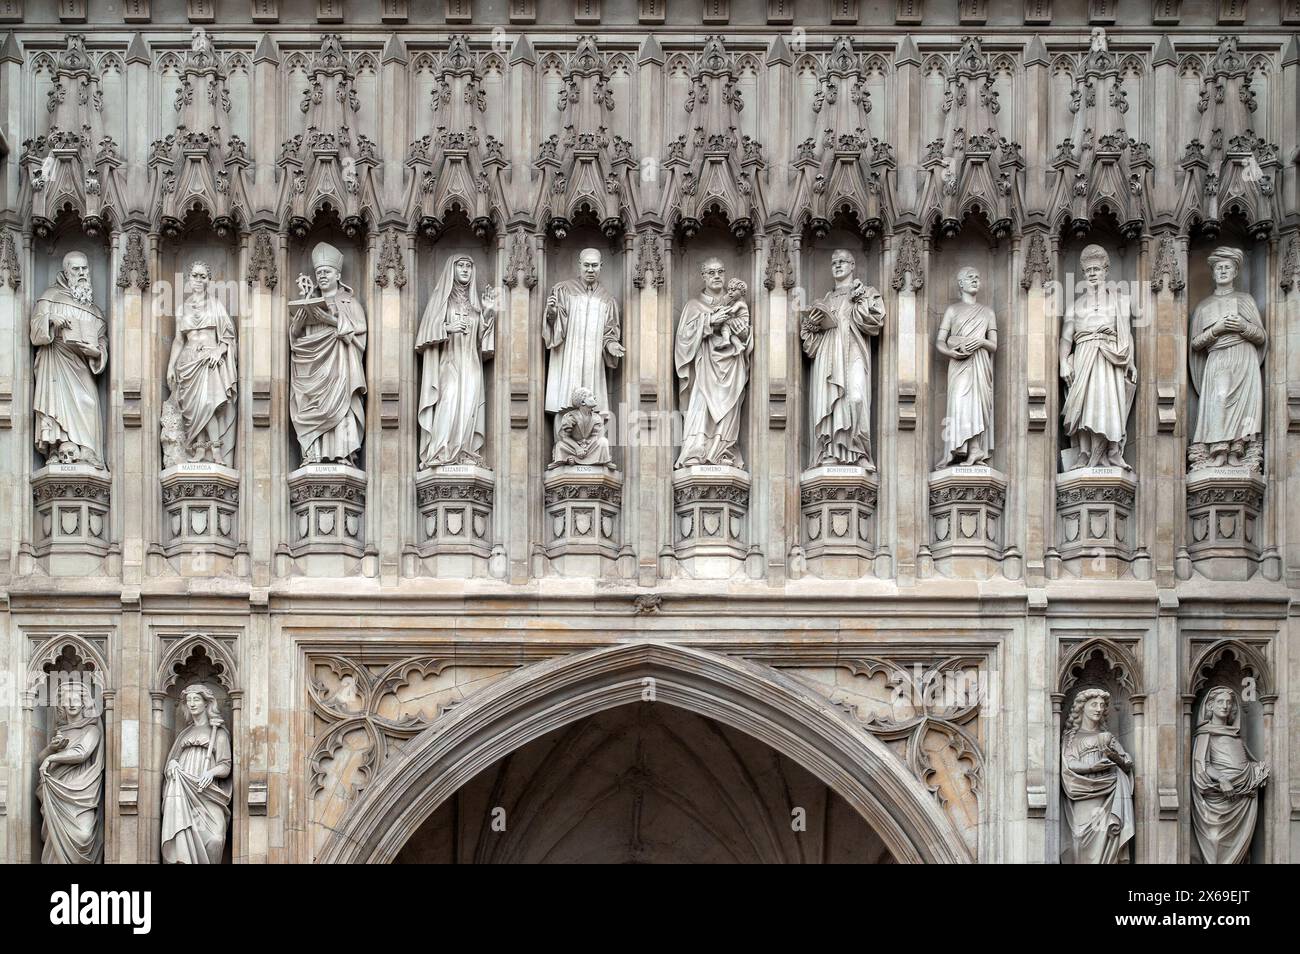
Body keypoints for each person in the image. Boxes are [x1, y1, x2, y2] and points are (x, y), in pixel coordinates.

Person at [802, 249, 885, 469]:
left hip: (853, 351)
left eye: (842, 262)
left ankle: (859, 452)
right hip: (828, 356)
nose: (838, 265)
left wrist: (860, 301)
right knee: (831, 402)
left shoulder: (866, 292)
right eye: (834, 262)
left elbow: (875, 322)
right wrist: (811, 326)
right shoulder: (826, 299)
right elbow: (811, 345)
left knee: (856, 398)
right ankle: (830, 451)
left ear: (852, 265)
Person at [289, 242, 367, 465]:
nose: (322, 276)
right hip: (311, 367)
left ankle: (342, 453)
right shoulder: (309, 301)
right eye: (319, 272)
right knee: (310, 404)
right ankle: (313, 455)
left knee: (341, 407)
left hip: (340, 367)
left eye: (327, 272)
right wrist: (297, 325)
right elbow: (295, 338)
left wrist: (329, 320)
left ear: (338, 274)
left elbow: (359, 335)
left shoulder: (349, 302)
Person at [1188, 247, 1266, 470]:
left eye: (1227, 267)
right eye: (1219, 268)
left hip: (1243, 357)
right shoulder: (1204, 306)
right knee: (1220, 400)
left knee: (1244, 405)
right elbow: (1195, 343)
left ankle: (1237, 451)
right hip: (1218, 358)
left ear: (1235, 272)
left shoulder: (1245, 300)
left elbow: (1261, 337)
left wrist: (1243, 327)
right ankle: (1219, 451)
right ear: (1213, 273)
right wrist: (1217, 329)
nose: (1222, 271)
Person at [1060, 245, 1136, 470]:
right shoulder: (1075, 306)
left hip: (1110, 355)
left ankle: (1112, 451)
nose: (1092, 273)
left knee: (1108, 401)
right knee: (1083, 404)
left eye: (1097, 269)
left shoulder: (1119, 301)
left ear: (1106, 271)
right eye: (1088, 270)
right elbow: (1066, 339)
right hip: (1083, 353)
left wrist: (1130, 361)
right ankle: (1084, 453)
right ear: (1083, 274)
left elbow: (1126, 334)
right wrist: (1063, 362)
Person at [415, 255, 496, 469]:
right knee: (449, 401)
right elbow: (425, 334)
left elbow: (483, 343)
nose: (465, 270)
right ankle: (441, 451)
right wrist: (448, 328)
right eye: (460, 266)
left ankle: (463, 451)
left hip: (471, 363)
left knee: (468, 405)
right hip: (448, 362)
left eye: (469, 266)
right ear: (452, 269)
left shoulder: (474, 304)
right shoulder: (441, 300)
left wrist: (487, 312)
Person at [675, 258, 754, 468]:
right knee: (701, 403)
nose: (717, 276)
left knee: (729, 409)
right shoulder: (693, 306)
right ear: (703, 276)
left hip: (731, 363)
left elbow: (746, 335)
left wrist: (743, 332)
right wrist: (709, 321)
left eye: (720, 272)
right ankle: (695, 449)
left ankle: (722, 451)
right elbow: (683, 339)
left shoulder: (737, 305)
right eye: (711, 273)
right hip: (705, 365)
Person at [32, 251, 108, 468]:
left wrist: (96, 353)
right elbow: (34, 330)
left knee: (89, 402)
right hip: (56, 361)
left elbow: (102, 341)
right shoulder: (50, 297)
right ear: (65, 272)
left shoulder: (94, 310)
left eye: (85, 269)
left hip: (81, 363)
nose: (82, 273)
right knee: (56, 403)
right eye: (76, 269)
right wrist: (50, 320)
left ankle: (87, 451)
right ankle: (58, 449)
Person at [165, 261, 237, 466]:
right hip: (187, 362)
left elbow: (228, 337)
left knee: (207, 405)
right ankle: (198, 450)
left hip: (208, 360)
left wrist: (218, 350)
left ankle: (215, 451)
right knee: (191, 410)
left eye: (202, 276)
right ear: (189, 279)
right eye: (195, 275)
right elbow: (179, 340)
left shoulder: (216, 305)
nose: (198, 280)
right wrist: (171, 366)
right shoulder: (181, 309)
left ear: (209, 280)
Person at [1191, 686, 1268, 864]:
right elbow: (1202, 765)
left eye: (1228, 702)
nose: (1225, 706)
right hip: (1218, 798)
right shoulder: (1205, 733)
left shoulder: (1235, 735)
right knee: (1216, 840)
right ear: (1210, 706)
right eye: (1220, 702)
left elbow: (1246, 761)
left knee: (1242, 845)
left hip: (1242, 797)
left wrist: (1257, 770)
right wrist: (1222, 779)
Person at [543, 248, 623, 419]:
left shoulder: (608, 300)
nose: (590, 270)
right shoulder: (563, 290)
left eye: (594, 265)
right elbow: (556, 329)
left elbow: (610, 331)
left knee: (592, 405)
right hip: (569, 358)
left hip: (593, 360)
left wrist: (612, 344)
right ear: (579, 265)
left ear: (601, 266)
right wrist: (551, 313)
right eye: (586, 265)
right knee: (566, 402)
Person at [1060, 687, 1135, 864]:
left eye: (1102, 705)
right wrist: (1092, 767)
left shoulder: (1106, 737)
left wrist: (1112, 755)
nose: (1098, 708)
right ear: (1082, 708)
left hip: (1108, 794)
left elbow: (1127, 762)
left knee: (1106, 835)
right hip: (1082, 791)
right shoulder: (1072, 737)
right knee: (1079, 838)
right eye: (1094, 704)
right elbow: (1069, 763)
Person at [161, 684, 233, 864]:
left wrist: (211, 772)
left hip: (207, 791)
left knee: (216, 838)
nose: (192, 704)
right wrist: (173, 763)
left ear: (206, 703)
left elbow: (226, 766)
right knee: (184, 835)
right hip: (184, 791)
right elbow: (173, 758)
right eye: (189, 700)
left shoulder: (219, 733)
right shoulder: (185, 733)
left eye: (196, 699)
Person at [36, 679, 104, 864]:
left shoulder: (92, 730)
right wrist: (50, 749)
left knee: (83, 835)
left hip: (83, 793)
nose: (72, 703)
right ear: (62, 704)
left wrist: (53, 758)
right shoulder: (61, 732)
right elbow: (39, 760)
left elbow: (82, 753)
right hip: (56, 791)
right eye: (67, 699)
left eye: (76, 699)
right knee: (54, 837)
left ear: (83, 703)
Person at [935, 266, 996, 467]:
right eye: (971, 277)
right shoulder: (953, 310)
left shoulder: (988, 312)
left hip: (980, 362)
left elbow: (993, 345)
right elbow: (940, 341)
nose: (975, 280)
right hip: (959, 363)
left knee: (977, 404)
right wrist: (951, 352)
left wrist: (979, 342)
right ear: (960, 283)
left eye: (978, 277)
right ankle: (956, 450)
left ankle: (975, 450)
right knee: (960, 402)